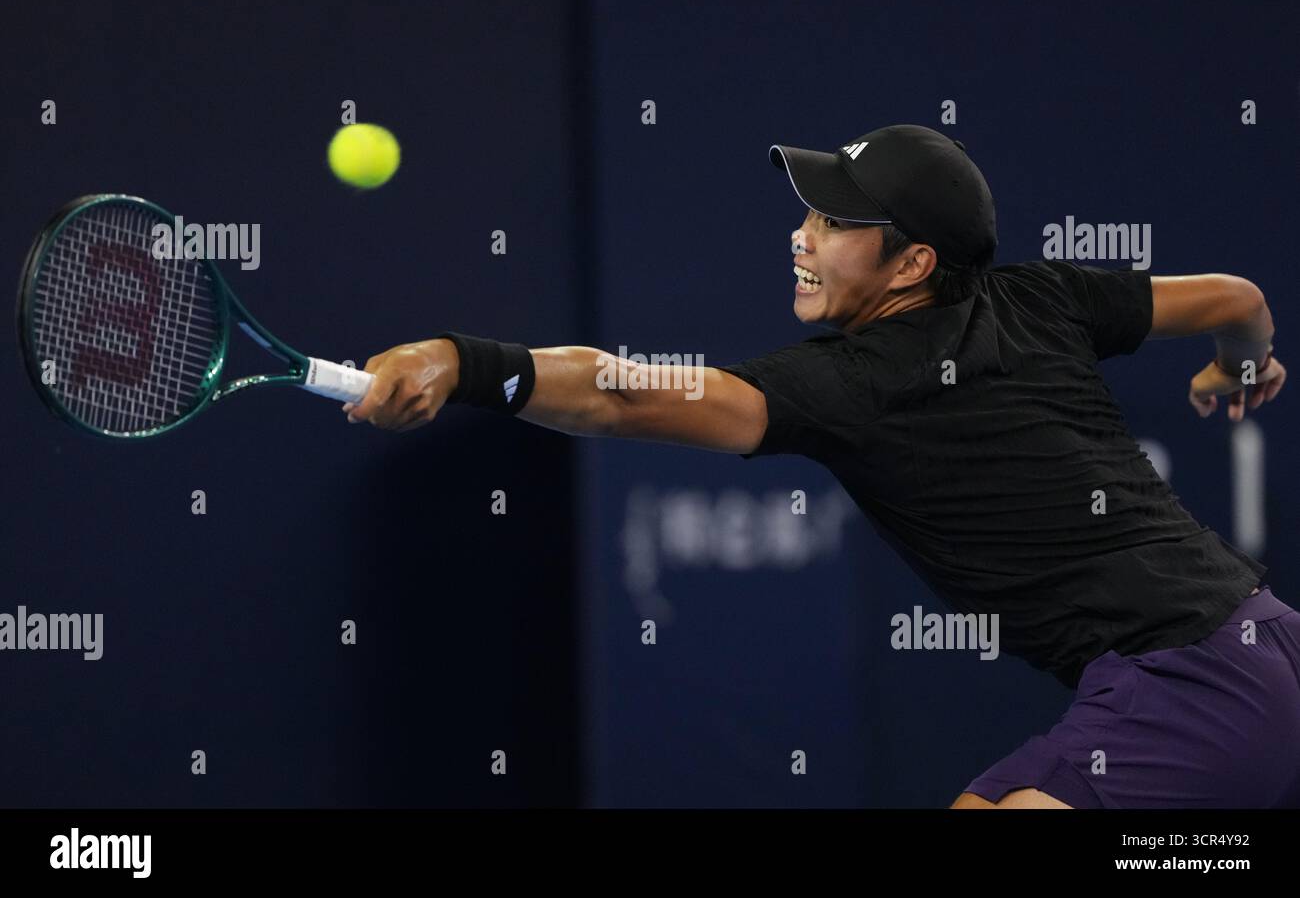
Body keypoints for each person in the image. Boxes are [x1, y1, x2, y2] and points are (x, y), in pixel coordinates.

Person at [345, 124, 1299, 808]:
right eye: (808, 214)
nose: (801, 237)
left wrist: (460, 362)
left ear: (913, 263)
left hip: (1191, 688)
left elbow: (619, 392)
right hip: (1266, 647)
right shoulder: (1046, 297)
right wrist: (1243, 365)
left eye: (835, 223)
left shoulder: (851, 383)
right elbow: (1237, 296)